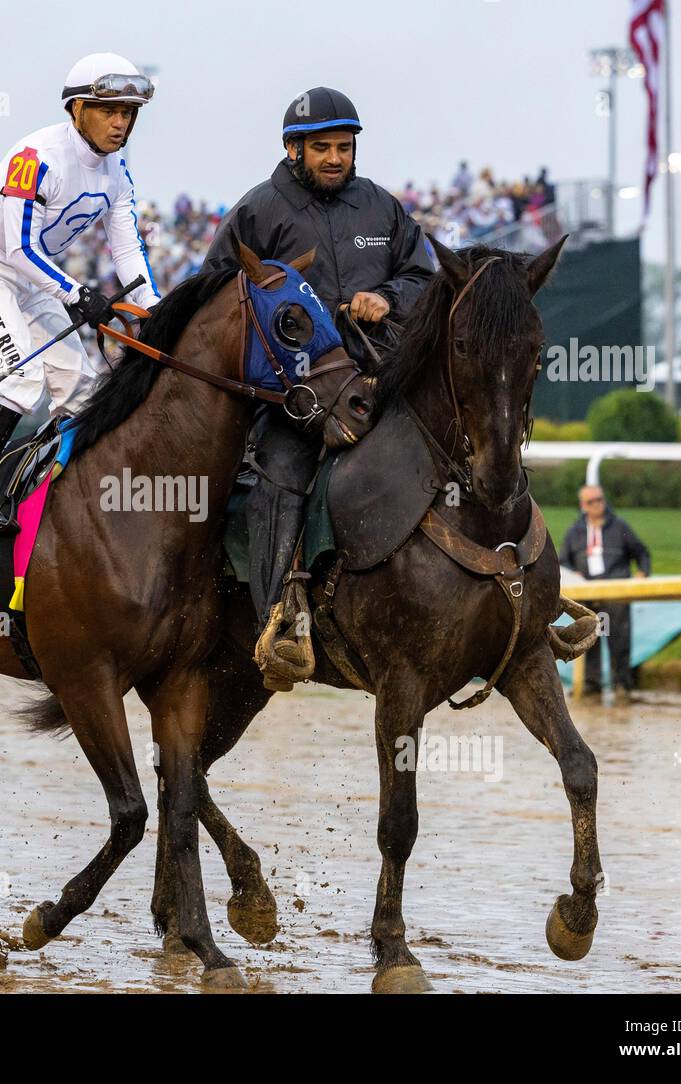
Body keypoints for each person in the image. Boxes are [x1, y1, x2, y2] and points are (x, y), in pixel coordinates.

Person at [200, 86, 433, 687]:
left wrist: (387, 297)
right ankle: (278, 620)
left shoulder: (383, 208)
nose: (336, 158)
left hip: (379, 379)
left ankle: (516, 590)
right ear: (293, 149)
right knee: (282, 471)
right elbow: (215, 299)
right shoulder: (258, 211)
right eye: (322, 147)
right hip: (294, 394)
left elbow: (421, 277)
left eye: (345, 147)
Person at [0, 52, 162, 532]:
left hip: (31, 280)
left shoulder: (117, 171)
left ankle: (63, 496)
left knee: (79, 391)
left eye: (128, 113)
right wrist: (79, 294)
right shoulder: (36, 157)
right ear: (77, 110)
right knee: (21, 376)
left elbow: (128, 249)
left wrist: (156, 310)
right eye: (109, 111)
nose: (121, 123)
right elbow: (19, 248)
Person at [560, 484, 652, 701]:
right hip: (588, 595)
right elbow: (563, 561)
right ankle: (592, 686)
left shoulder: (619, 526)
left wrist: (642, 573)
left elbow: (642, 553)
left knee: (618, 640)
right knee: (589, 640)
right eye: (592, 501)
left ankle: (622, 686)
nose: (598, 504)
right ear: (583, 505)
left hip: (615, 594)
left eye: (600, 499)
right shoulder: (575, 532)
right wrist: (575, 575)